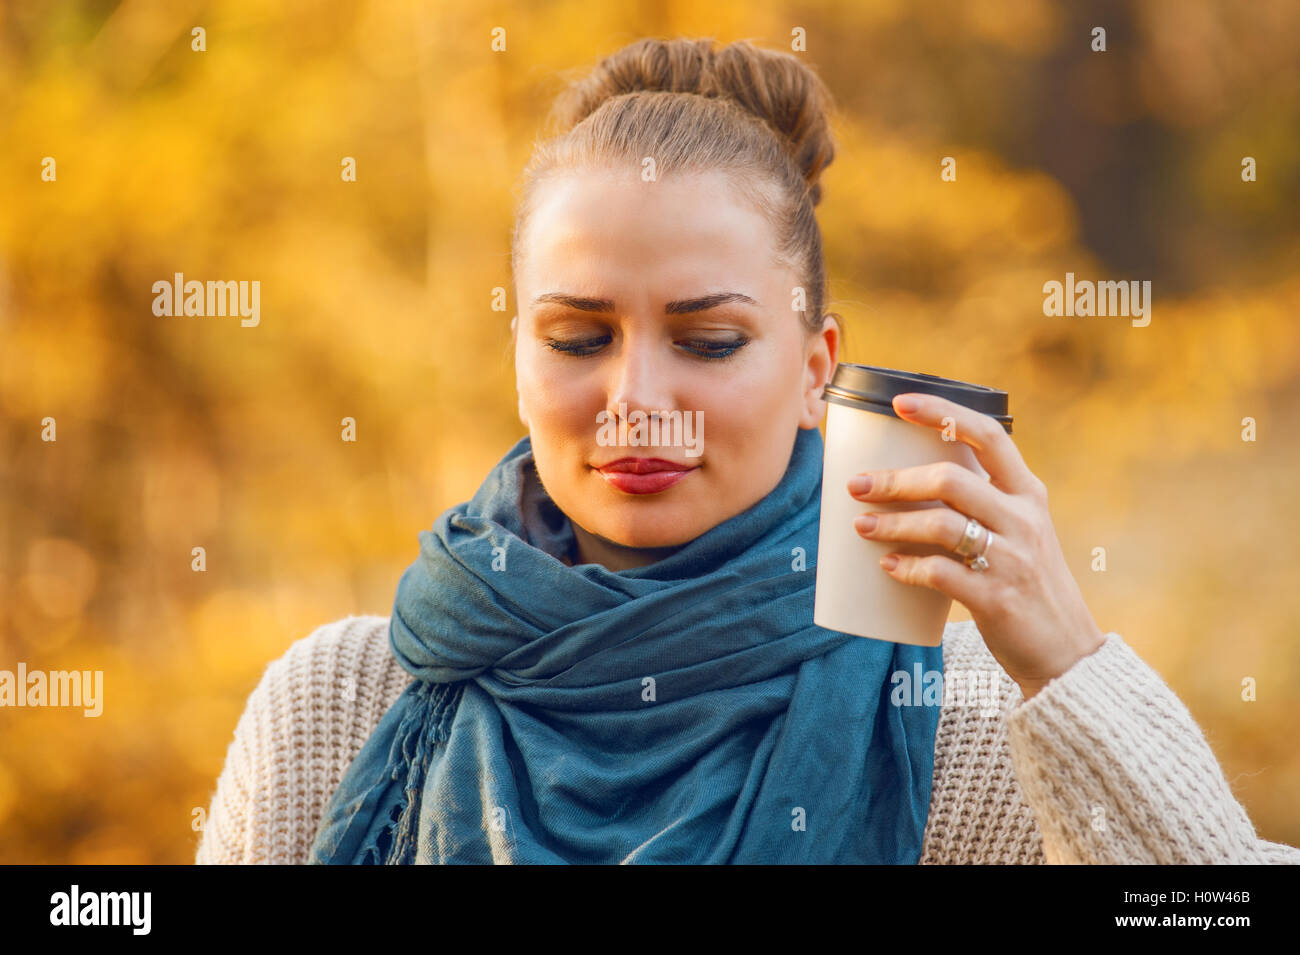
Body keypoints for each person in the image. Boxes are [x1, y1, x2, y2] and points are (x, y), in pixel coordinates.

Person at [196, 37, 1298, 865]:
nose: (636, 401)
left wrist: (1067, 662)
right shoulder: (340, 701)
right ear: (518, 357)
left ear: (818, 365)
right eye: (578, 337)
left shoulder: (964, 724)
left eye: (708, 341)